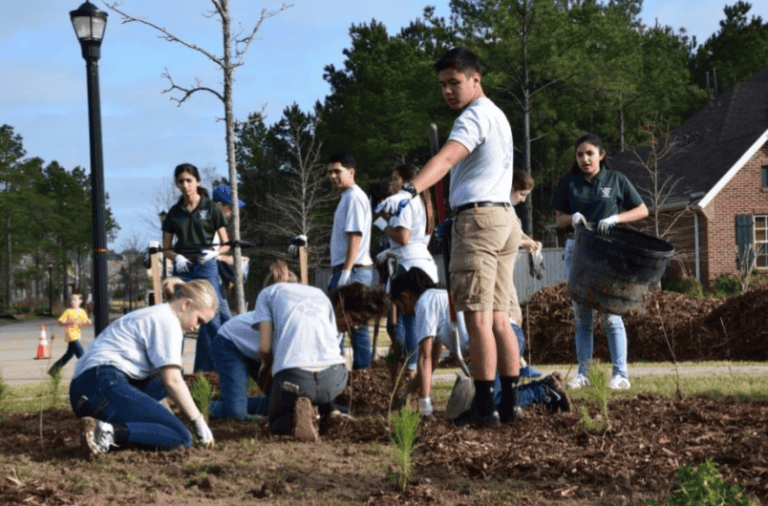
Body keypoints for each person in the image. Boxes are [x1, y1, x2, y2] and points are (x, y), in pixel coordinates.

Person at [377, 47, 520, 426]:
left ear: (476, 79)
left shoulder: (473, 117)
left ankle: (485, 407)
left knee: (477, 318)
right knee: (500, 319)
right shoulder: (499, 116)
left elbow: (445, 159)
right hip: (505, 218)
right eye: (443, 85)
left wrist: (408, 192)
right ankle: (510, 404)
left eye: (455, 82)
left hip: (479, 223)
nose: (448, 91)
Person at [389, 268, 570, 419]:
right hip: (507, 337)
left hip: (498, 342)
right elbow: (431, 361)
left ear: (406, 297)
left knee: (487, 406)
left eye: (400, 306)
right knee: (485, 404)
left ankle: (544, 391)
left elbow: (424, 358)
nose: (404, 312)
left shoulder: (424, 303)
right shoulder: (436, 299)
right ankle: (538, 393)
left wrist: (425, 405)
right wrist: (405, 394)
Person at [69, 278, 218, 455]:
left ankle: (107, 427)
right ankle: (106, 433)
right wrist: (198, 420)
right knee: (181, 437)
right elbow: (173, 381)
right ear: (186, 304)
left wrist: (164, 421)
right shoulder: (168, 321)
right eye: (199, 320)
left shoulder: (156, 313)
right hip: (102, 382)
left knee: (163, 383)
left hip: (87, 390)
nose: (196, 327)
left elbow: (163, 383)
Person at [551, 133, 649, 390]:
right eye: (580, 154)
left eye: (590, 154)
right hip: (579, 250)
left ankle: (620, 375)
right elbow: (558, 218)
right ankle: (583, 374)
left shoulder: (616, 180)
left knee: (611, 316)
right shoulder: (569, 183)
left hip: (609, 252)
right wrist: (571, 217)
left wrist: (616, 218)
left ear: (601, 155)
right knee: (583, 317)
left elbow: (642, 210)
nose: (585, 159)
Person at [254, 261, 386, 441]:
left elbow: (264, 347)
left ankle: (295, 420)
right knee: (318, 384)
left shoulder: (267, 294)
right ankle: (331, 413)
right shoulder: (318, 294)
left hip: (295, 378)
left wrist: (266, 370)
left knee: (276, 420)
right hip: (335, 378)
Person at [162, 163, 230, 372]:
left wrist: (215, 253)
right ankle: (175, 368)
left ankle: (216, 369)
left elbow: (227, 244)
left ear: (197, 182)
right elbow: (166, 248)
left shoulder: (210, 208)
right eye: (181, 181)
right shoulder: (174, 213)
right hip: (183, 267)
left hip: (206, 264)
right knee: (176, 316)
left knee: (211, 315)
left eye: (189, 180)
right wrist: (177, 258)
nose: (185, 185)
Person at [375, 163, 438, 377]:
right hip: (424, 262)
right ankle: (415, 364)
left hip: (408, 263)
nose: (392, 184)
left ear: (406, 182)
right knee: (420, 319)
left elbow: (403, 237)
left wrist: (382, 225)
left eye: (395, 179)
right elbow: (421, 239)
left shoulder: (405, 201)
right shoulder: (423, 202)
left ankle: (410, 366)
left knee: (406, 319)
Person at [327, 153, 374, 370]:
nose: (333, 176)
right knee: (340, 324)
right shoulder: (347, 197)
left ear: (351, 172)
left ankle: (362, 376)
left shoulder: (354, 197)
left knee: (355, 325)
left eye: (337, 171)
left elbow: (355, 235)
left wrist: (345, 272)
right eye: (329, 172)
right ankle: (343, 374)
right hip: (349, 269)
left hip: (354, 271)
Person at [510, 171, 543, 379]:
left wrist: (529, 240)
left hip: (506, 272)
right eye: (521, 194)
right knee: (511, 318)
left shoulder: (510, 211)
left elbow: (515, 232)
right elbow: (503, 237)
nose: (523, 200)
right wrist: (523, 243)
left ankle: (518, 362)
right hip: (498, 273)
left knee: (514, 317)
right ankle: (518, 364)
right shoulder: (501, 207)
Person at [209, 310, 269, 420]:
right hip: (230, 342)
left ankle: (234, 401)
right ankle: (200, 406)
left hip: (257, 352)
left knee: (283, 405)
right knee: (236, 413)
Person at [48, 291, 92, 377]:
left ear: (80, 301)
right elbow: (60, 322)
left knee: (68, 355)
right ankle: (87, 373)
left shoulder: (82, 312)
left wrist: (88, 323)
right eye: (71, 300)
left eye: (75, 300)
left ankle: (53, 370)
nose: (73, 302)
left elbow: (82, 324)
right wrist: (67, 322)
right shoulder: (68, 312)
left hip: (77, 336)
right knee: (81, 355)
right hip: (71, 336)